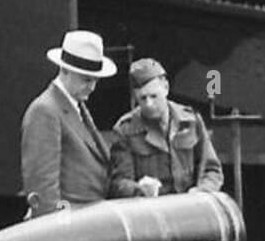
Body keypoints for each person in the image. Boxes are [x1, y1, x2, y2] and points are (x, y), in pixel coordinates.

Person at [20, 30, 118, 217]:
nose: (93, 87)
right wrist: (61, 227)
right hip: (70, 227)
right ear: (64, 70)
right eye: (86, 79)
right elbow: (43, 191)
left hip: (86, 222)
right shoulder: (45, 111)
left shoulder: (75, 106)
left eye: (96, 80)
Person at [110, 58, 224, 199]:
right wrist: (140, 189)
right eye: (143, 98)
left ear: (166, 88)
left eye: (153, 96)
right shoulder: (126, 130)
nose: (149, 104)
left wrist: (202, 192)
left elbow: (211, 169)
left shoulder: (190, 121)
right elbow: (118, 183)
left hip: (190, 209)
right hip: (151, 212)